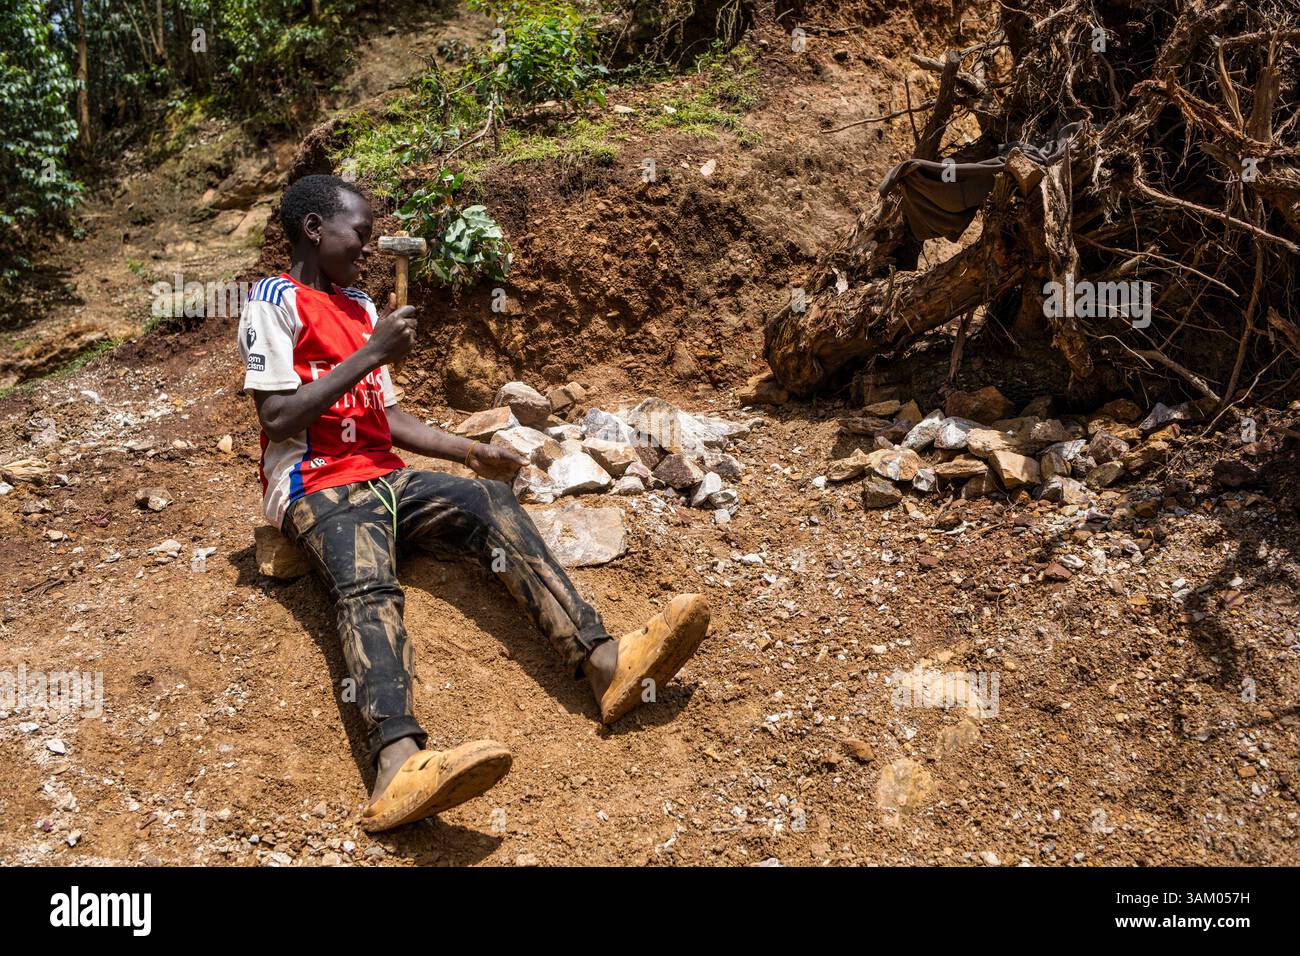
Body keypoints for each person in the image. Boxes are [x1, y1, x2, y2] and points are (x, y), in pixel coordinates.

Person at [236, 174, 711, 832]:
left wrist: (465, 452)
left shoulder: (361, 308)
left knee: (488, 502)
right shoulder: (273, 300)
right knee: (367, 586)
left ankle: (607, 665)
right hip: (316, 482)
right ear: (314, 229)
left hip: (386, 475)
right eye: (360, 235)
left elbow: (390, 418)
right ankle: (397, 765)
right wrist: (371, 353)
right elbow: (279, 414)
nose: (370, 249)